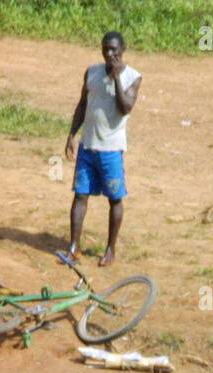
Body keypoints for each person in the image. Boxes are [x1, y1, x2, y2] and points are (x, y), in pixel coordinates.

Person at [64, 31, 142, 268]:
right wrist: (71, 135)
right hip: (88, 147)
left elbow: (125, 107)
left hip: (111, 150)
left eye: (114, 49)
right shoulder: (92, 72)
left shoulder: (132, 77)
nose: (110, 54)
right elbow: (82, 105)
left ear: (123, 49)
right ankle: (74, 247)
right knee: (80, 195)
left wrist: (117, 78)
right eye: (106, 49)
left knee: (115, 199)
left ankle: (110, 249)